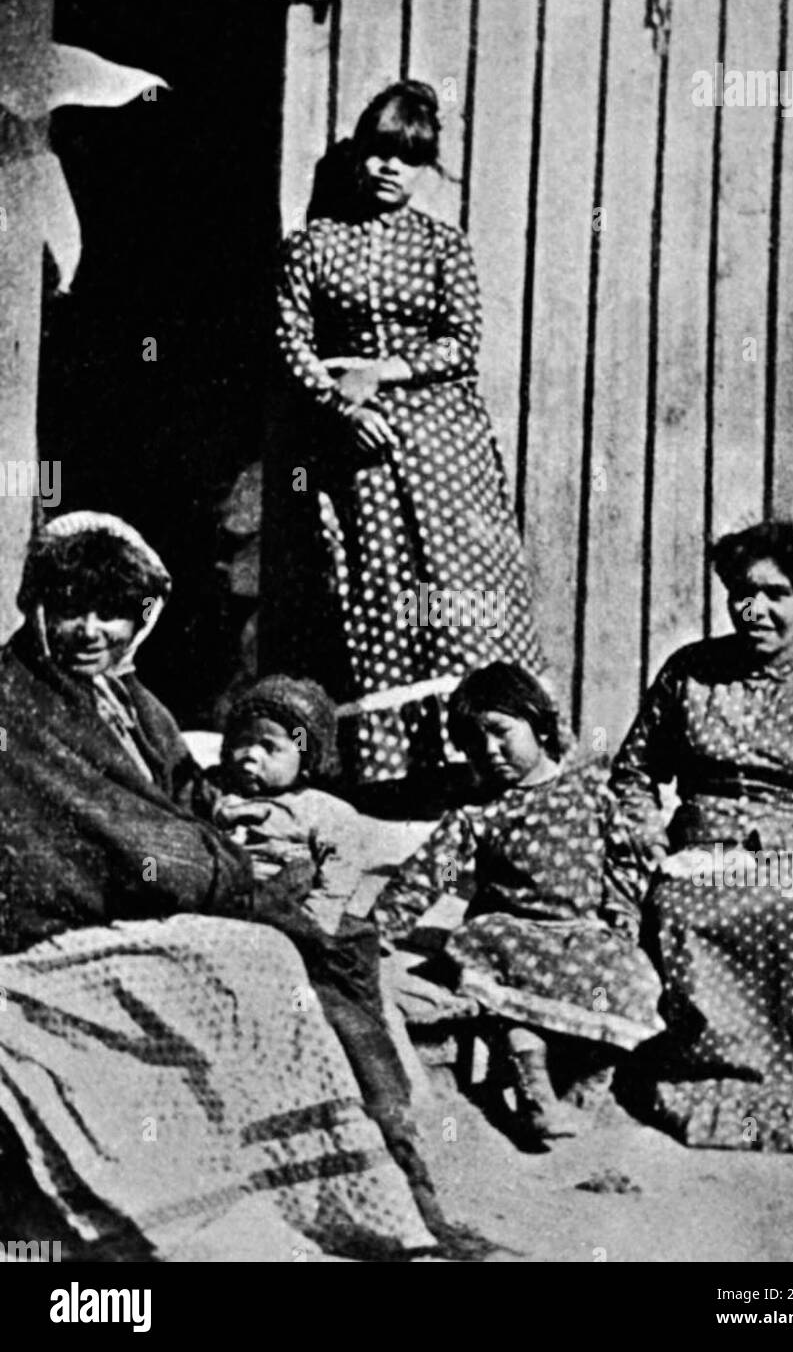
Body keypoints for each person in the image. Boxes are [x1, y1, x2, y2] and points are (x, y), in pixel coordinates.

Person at [0, 510, 479, 1259]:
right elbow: (105, 838)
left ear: (144, 616)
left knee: (338, 950)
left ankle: (388, 1188)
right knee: (261, 962)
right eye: (70, 608)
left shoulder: (135, 703)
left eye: (114, 611)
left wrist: (232, 848)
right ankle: (263, 1203)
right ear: (37, 608)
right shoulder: (18, 702)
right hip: (53, 927)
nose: (91, 629)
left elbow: (186, 804)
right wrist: (224, 869)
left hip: (148, 899)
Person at [275, 79, 546, 787]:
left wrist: (382, 372)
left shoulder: (441, 246)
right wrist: (342, 409)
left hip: (444, 448)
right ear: (359, 155)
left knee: (461, 598)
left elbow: (461, 343)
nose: (391, 169)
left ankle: (486, 761)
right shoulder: (313, 246)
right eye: (379, 152)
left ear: (426, 167)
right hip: (359, 452)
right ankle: (397, 770)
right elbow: (289, 342)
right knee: (379, 597)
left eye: (409, 157)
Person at [610, 519, 793, 1157]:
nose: (755, 608)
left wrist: (775, 847)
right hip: (698, 850)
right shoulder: (690, 672)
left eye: (777, 594)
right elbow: (633, 773)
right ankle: (726, 1073)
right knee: (694, 906)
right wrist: (646, 835)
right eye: (743, 591)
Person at [374, 661, 662, 1142]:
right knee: (489, 962)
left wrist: (622, 915)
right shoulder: (479, 812)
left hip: (581, 933)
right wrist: (380, 930)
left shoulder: (591, 790)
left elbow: (622, 861)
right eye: (472, 741)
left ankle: (586, 1091)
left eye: (500, 731)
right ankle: (534, 1094)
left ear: (539, 723)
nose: (488, 749)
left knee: (633, 976)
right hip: (510, 931)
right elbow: (432, 872)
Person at [211, 674, 365, 934]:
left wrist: (316, 919)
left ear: (304, 760)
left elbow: (342, 869)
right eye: (243, 742)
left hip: (287, 908)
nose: (251, 755)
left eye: (270, 747)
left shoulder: (322, 810)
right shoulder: (216, 792)